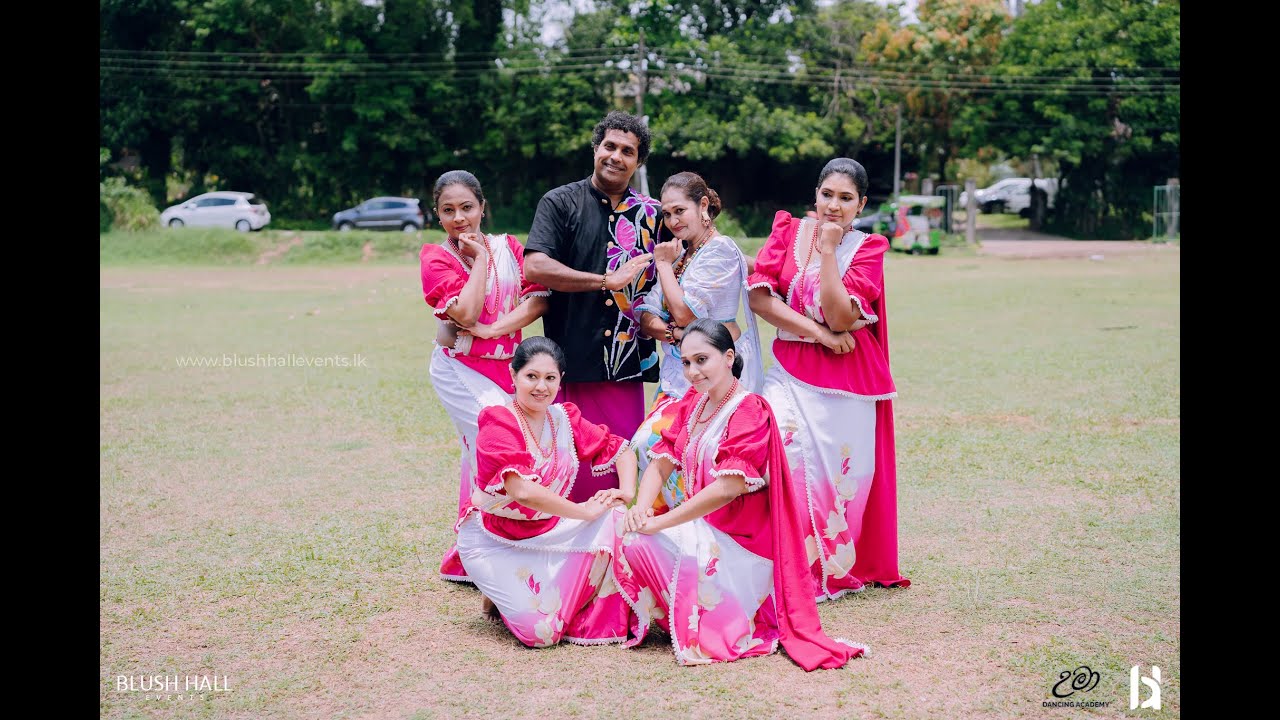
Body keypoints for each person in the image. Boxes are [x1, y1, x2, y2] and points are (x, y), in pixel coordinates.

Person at [612, 319, 866, 669]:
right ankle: (693, 613)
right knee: (623, 529)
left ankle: (720, 616)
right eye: (686, 362)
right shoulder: (693, 403)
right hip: (706, 528)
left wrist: (661, 522)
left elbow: (729, 487)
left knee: (643, 540)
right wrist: (641, 509)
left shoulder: (750, 409)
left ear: (728, 357)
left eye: (702, 360)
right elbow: (660, 461)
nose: (692, 371)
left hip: (742, 541)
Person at [746, 157, 911, 601]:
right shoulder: (787, 230)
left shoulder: (868, 248)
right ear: (815, 194)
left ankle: (827, 569)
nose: (833, 206)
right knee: (777, 445)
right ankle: (779, 561)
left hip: (848, 386)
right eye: (826, 195)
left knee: (843, 481)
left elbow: (841, 316)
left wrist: (827, 251)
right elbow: (762, 300)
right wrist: (817, 333)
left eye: (845, 199)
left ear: (861, 205)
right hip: (789, 372)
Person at [455, 337, 637, 647]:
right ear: (513, 376)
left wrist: (625, 493)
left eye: (550, 378)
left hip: (549, 532)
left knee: (617, 517)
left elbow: (621, 451)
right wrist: (584, 511)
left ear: (560, 380)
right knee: (542, 633)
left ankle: (536, 596)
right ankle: (504, 589)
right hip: (495, 539)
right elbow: (521, 491)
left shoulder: (564, 417)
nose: (541, 386)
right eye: (531, 376)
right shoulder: (498, 420)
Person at [522, 110, 661, 504]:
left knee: (621, 465)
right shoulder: (560, 202)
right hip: (568, 364)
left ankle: (614, 551)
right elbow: (536, 265)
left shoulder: (652, 214)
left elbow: (696, 247)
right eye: (609, 146)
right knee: (568, 467)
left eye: (628, 151)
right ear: (596, 149)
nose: (616, 156)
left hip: (626, 366)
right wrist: (603, 281)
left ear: (638, 161)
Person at [420, 170, 550, 582]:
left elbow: (538, 301)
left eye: (467, 207)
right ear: (437, 215)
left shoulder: (509, 248)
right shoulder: (436, 258)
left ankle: (469, 555)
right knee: (497, 444)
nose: (459, 218)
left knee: (479, 453)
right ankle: (490, 549)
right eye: (448, 210)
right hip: (460, 367)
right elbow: (467, 313)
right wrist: (478, 261)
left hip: (507, 368)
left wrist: (496, 330)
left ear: (482, 207)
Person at [632, 171, 763, 509]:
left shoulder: (718, 251)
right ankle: (670, 535)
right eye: (667, 213)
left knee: (673, 452)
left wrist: (661, 266)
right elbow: (646, 311)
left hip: (708, 381)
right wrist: (672, 332)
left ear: (703, 206)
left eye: (680, 211)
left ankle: (692, 529)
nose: (672, 221)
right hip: (676, 377)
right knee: (653, 452)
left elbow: (686, 313)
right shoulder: (685, 255)